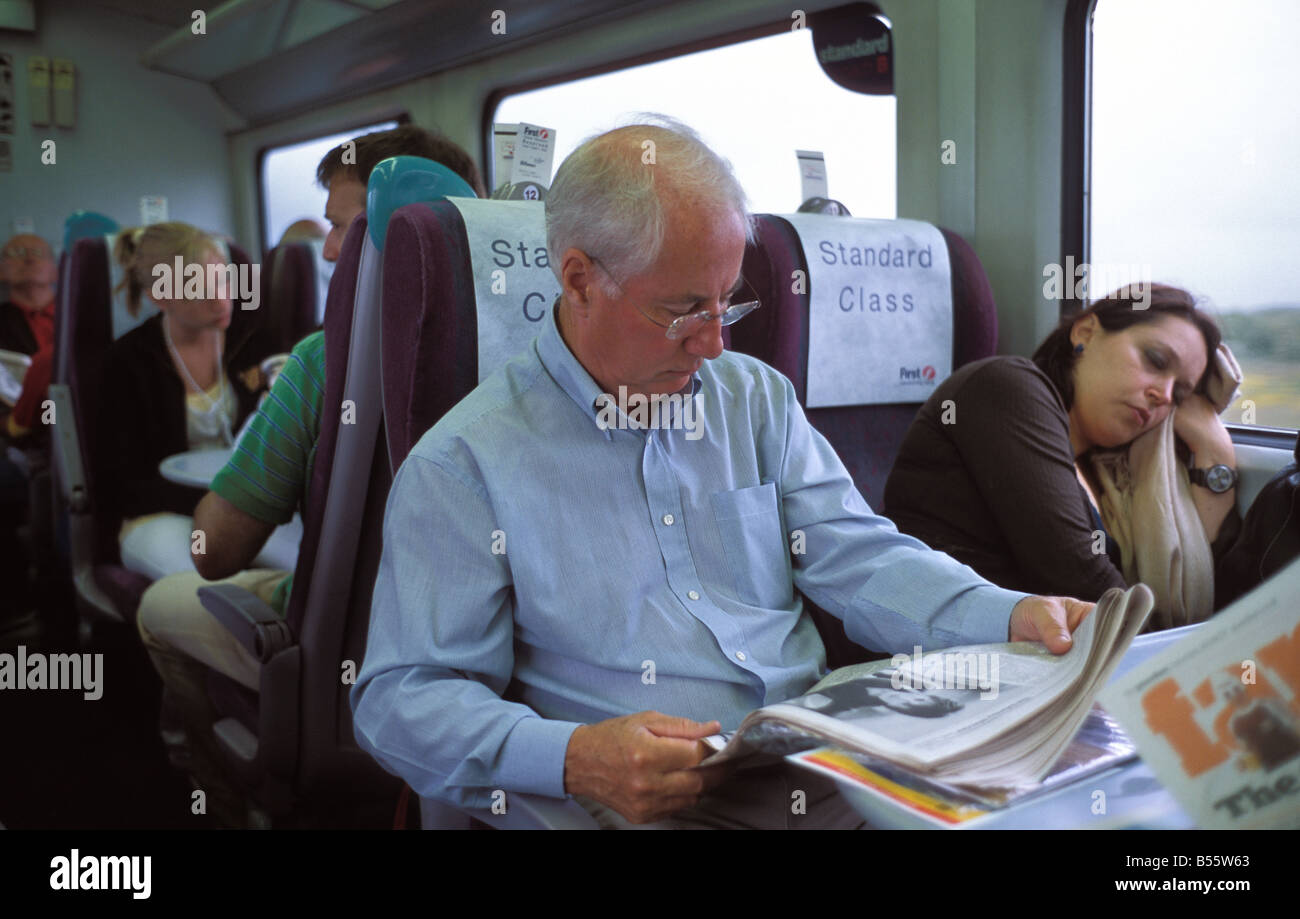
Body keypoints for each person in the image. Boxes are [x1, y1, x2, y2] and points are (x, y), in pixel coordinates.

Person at [350, 117, 1093, 829]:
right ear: (578, 281)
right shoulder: (466, 465)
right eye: (682, 311)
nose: (712, 343)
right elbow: (400, 699)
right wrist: (575, 757)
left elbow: (858, 557)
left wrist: (1008, 613)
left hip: (821, 769)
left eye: (727, 303)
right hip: (646, 803)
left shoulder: (753, 399)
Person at [131, 126, 486, 822]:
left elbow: (216, 552)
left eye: (345, 230)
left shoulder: (323, 360)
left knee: (157, 606)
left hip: (345, 665)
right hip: (485, 671)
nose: (328, 251)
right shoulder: (537, 349)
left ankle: (234, 791)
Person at [884, 285, 1239, 614]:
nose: (1163, 394)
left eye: (1178, 396)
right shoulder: (1007, 387)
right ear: (1085, 332)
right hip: (936, 657)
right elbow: (1082, 583)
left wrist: (1214, 449)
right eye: (1156, 361)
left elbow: (1199, 576)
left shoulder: (1107, 474)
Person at [96, 222, 274, 581]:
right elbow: (125, 485)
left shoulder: (252, 340)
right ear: (160, 298)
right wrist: (218, 500)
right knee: (214, 589)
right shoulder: (127, 362)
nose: (221, 300)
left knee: (313, 569)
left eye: (224, 281)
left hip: (245, 505)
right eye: (200, 291)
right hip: (158, 514)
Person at [1, 234, 58, 629]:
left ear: (55, 269)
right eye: (15, 254)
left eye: (36, 253)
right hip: (13, 431)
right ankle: (18, 604)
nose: (26, 260)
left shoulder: (84, 315)